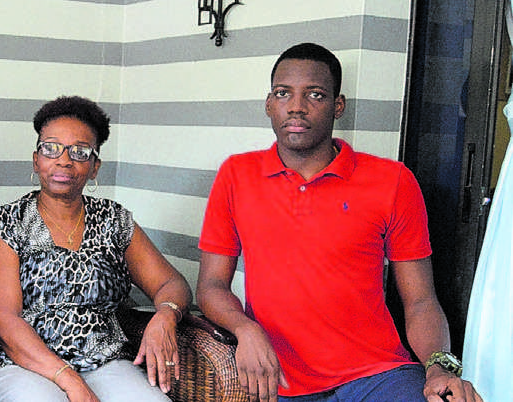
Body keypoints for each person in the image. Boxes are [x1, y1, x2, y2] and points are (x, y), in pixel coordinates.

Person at [197, 42, 485, 402]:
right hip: (282, 380)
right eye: (283, 93)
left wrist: (438, 366)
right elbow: (210, 285)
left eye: (315, 95)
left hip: (378, 376)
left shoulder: (392, 181)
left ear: (338, 106)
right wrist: (245, 329)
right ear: (269, 104)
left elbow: (420, 301)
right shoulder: (236, 175)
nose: (297, 107)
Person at [0, 95, 191, 402]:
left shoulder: (113, 220)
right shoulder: (9, 223)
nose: (64, 160)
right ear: (36, 159)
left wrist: (166, 314)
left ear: (94, 167)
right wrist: (70, 381)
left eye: (80, 152)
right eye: (51, 148)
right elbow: (3, 319)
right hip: (22, 363)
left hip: (102, 359)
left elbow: (172, 284)